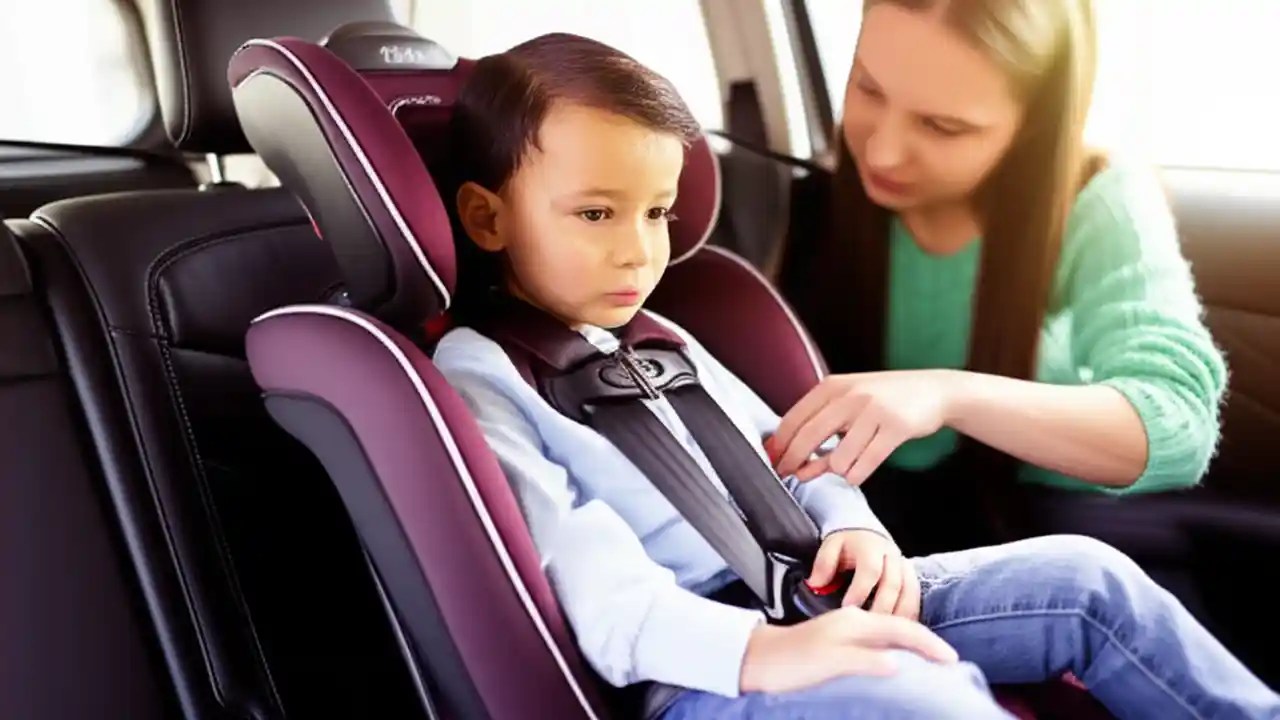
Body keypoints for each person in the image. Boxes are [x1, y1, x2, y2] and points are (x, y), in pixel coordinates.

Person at [431, 31, 1277, 720]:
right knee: (916, 695)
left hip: (813, 594)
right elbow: (591, 584)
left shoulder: (661, 338)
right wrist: (767, 651)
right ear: (487, 215)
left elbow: (794, 459)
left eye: (656, 212)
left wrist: (858, 531)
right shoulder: (482, 374)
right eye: (595, 213)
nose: (639, 249)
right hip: (707, 668)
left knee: (1088, 579)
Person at [774, 0, 1229, 554]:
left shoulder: (1099, 199)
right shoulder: (804, 193)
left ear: (1033, 125)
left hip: (1052, 519)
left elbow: (1177, 423)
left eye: (943, 126)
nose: (883, 152)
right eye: (868, 89)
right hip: (860, 517)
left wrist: (947, 394)